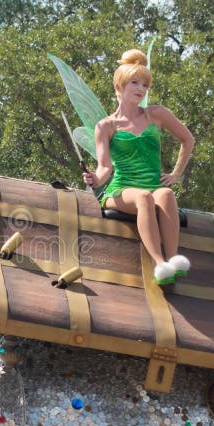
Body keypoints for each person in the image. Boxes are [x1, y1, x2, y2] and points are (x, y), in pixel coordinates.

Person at [83, 49, 195, 285]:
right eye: (134, 82)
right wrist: (94, 179)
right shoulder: (106, 126)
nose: (141, 89)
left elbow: (188, 140)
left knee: (165, 194)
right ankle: (158, 263)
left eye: (145, 84)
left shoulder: (157, 114)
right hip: (121, 189)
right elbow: (105, 168)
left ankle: (174, 260)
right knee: (144, 197)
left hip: (154, 185)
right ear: (118, 86)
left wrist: (176, 174)